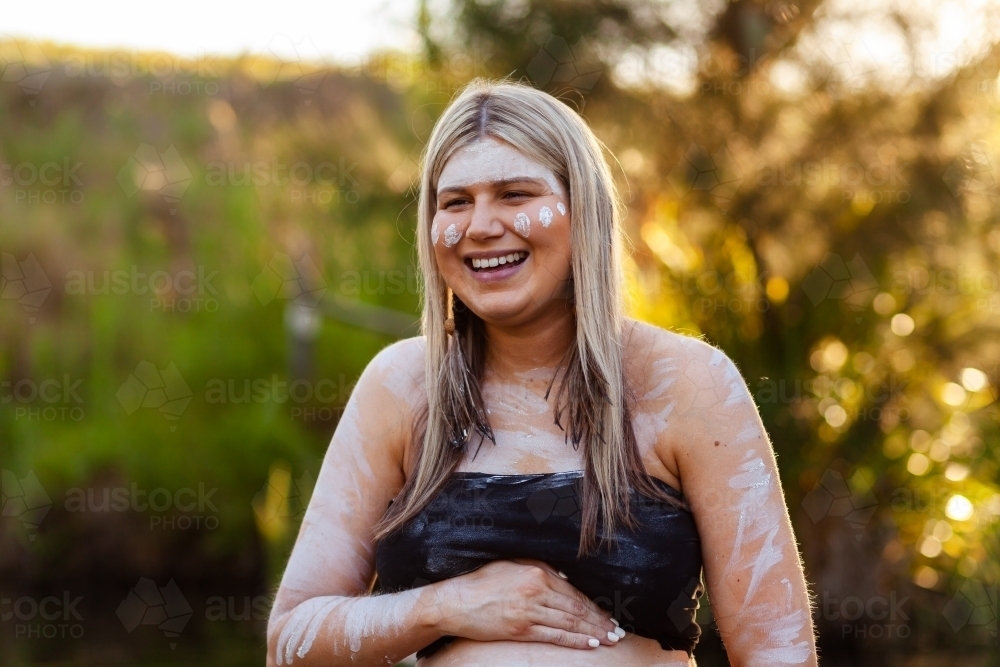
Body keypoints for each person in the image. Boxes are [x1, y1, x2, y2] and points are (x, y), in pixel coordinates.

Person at [266, 79, 818, 667]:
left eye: (515, 194)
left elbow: (777, 654)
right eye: (456, 202)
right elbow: (290, 642)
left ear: (583, 211)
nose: (481, 225)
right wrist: (447, 605)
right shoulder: (400, 387)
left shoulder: (688, 384)